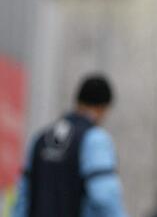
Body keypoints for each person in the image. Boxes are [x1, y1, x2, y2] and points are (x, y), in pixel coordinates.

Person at [11, 74, 128, 217]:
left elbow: (22, 198)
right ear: (102, 108)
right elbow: (104, 197)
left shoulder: (40, 139)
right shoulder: (94, 139)